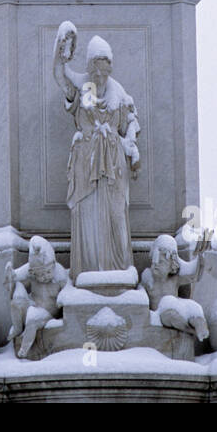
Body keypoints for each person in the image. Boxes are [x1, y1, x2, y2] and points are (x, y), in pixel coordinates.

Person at [52, 22, 140, 279]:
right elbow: (60, 73)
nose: (100, 77)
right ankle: (89, 268)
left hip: (114, 163)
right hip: (86, 161)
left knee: (116, 216)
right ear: (89, 68)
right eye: (96, 72)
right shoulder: (83, 87)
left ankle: (118, 268)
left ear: (110, 68)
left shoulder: (118, 92)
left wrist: (131, 147)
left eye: (104, 72)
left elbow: (132, 123)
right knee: (88, 214)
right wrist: (61, 50)